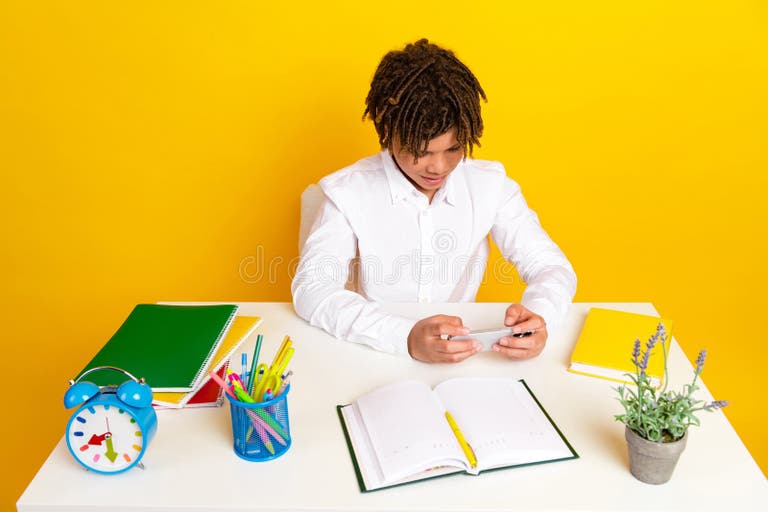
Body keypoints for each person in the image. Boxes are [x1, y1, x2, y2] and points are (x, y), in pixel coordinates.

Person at [291, 39, 576, 363]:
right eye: (421, 152)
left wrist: (540, 316)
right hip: (373, 355)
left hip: (466, 358)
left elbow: (551, 266)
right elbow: (313, 290)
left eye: (453, 149)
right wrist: (404, 337)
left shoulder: (490, 186)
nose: (438, 167)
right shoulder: (348, 192)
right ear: (387, 131)